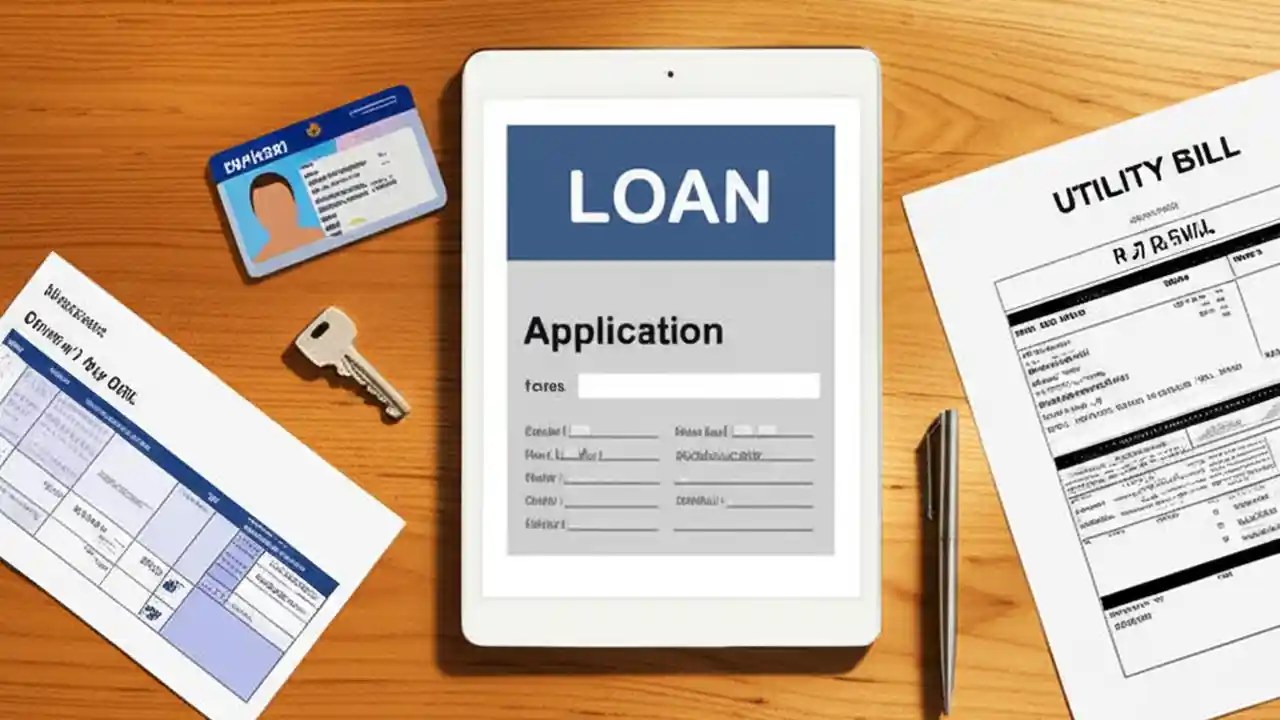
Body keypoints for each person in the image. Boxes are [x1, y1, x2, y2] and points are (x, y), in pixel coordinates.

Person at [248, 172, 325, 261]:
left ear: (294, 204)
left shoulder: (323, 237)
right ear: (257, 215)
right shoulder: (261, 262)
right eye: (266, 207)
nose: (276, 213)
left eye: (280, 202)